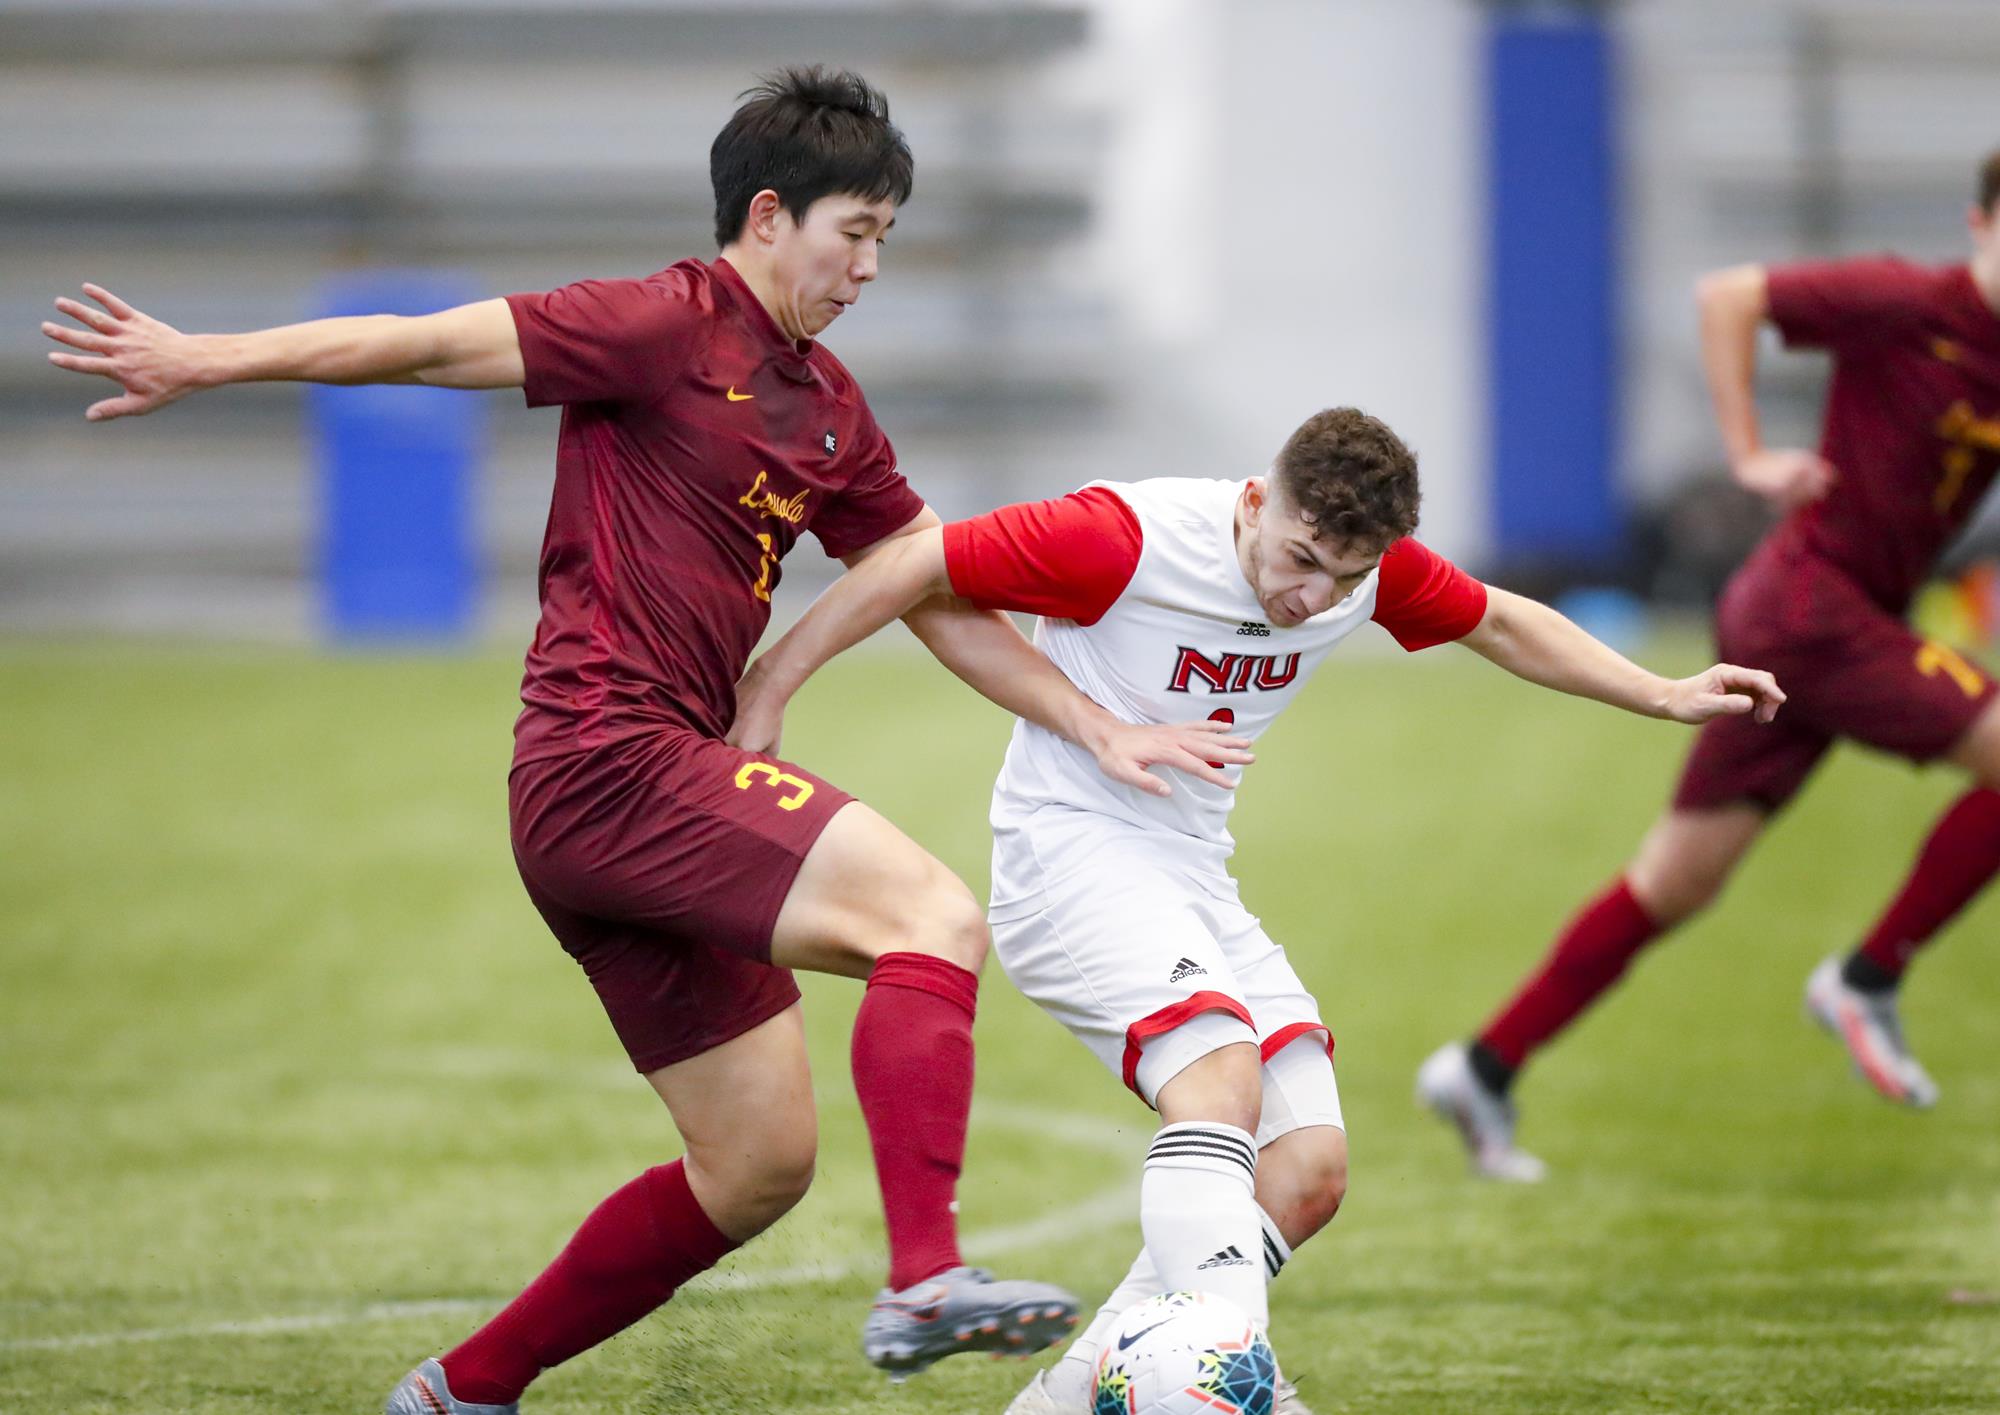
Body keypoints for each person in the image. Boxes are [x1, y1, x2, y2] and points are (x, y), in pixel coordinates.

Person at [39, 67, 1240, 1414]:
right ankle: (925, 1275)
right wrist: (207, 357)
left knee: (757, 1163)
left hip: (631, 793)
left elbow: (928, 587)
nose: (870, 267)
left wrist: (1095, 720)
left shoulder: (831, 406)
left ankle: (459, 1389)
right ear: (770, 214)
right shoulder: (661, 323)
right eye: (857, 234)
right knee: (930, 914)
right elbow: (427, 344)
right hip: (606, 760)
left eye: (889, 241)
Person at [726, 406, 1783, 1414]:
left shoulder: (1360, 573)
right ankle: (1240, 1377)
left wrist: (1662, 691)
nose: (1312, 597)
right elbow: (917, 561)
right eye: (1297, 558)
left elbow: (1499, 619)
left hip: (1188, 870)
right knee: (1218, 1078)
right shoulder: (1126, 538)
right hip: (1070, 857)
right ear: (1251, 503)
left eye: (1344, 576)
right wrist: (773, 684)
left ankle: (1066, 1396)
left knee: (1306, 1169)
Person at [1416, 148, 2000, 1183]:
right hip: (1807, 609)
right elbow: (1728, 293)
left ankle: (1485, 1062)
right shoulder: (1908, 300)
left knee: (1675, 880)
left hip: (1830, 621)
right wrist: (1744, 452)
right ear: (1977, 223)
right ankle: (1866, 975)